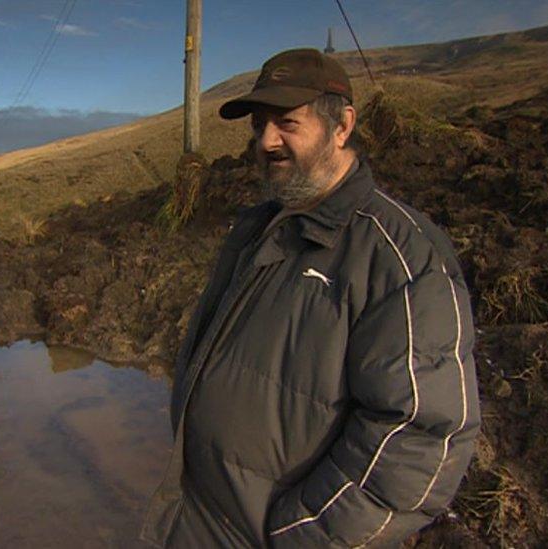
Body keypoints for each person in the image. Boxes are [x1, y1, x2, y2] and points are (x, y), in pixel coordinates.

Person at [142, 48, 480, 548]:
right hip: (198, 517)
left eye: (286, 123)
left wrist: (303, 536)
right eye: (259, 125)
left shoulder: (400, 258)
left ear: (342, 126)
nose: (265, 142)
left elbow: (424, 437)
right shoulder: (262, 223)